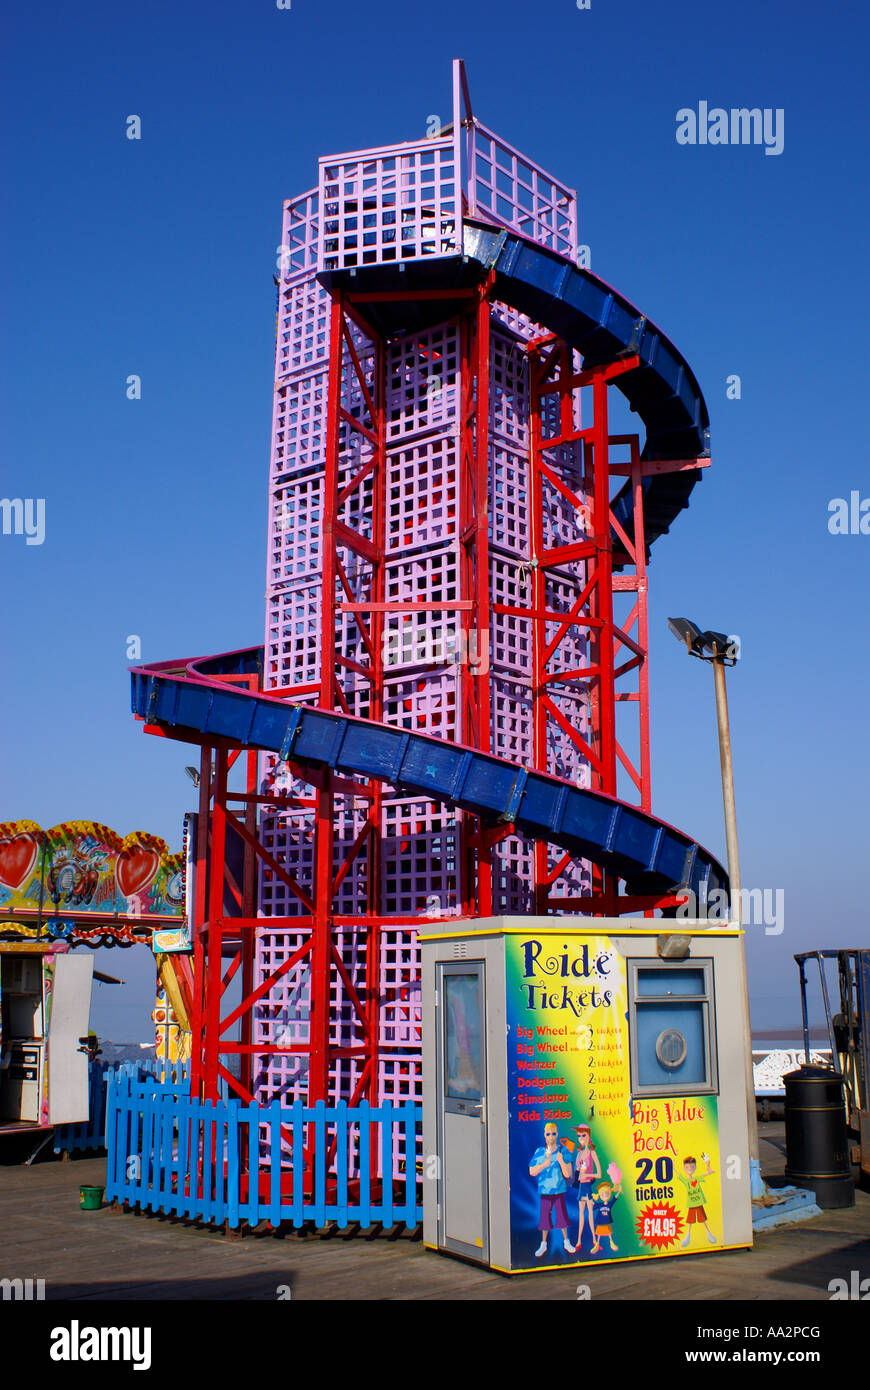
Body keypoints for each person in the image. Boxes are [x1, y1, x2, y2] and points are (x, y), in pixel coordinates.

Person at [529, 1122, 577, 1258]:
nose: (551, 1137)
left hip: (558, 1190)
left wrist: (561, 1161)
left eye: (554, 1133)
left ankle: (566, 1242)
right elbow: (532, 1171)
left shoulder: (563, 1151)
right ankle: (543, 1243)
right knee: (544, 1218)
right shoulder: (540, 1152)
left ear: (557, 1134)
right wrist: (544, 1164)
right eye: (548, 1134)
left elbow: (568, 1174)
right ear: (544, 1136)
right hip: (545, 1191)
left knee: (561, 1216)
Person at [677, 1153, 717, 1246]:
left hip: (698, 1202)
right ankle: (688, 1236)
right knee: (690, 1220)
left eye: (692, 1166)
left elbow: (706, 1174)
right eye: (687, 1167)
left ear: (695, 1167)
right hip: (691, 1203)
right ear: (684, 1168)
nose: (690, 1168)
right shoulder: (686, 1181)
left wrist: (708, 1167)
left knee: (702, 1219)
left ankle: (709, 1234)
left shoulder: (697, 1179)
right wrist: (672, 1166)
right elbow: (679, 1175)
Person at [573, 1124, 602, 1247]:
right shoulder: (579, 1154)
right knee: (581, 1215)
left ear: (589, 1136)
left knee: (590, 1214)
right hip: (581, 1187)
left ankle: (594, 1240)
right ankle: (579, 1240)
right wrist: (580, 1170)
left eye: (583, 1135)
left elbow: (599, 1174)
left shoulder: (592, 1153)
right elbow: (577, 1172)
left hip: (588, 1186)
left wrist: (588, 1175)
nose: (581, 1138)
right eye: (579, 1136)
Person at [590, 1176, 622, 1254]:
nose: (605, 1196)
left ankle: (612, 1243)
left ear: (610, 1193)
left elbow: (614, 1198)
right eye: (603, 1194)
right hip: (600, 1222)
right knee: (599, 1234)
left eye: (607, 1194)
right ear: (600, 1195)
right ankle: (597, 1245)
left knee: (608, 1233)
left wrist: (619, 1191)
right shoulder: (600, 1204)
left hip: (606, 1222)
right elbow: (593, 1205)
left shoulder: (609, 1204)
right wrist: (589, 1200)